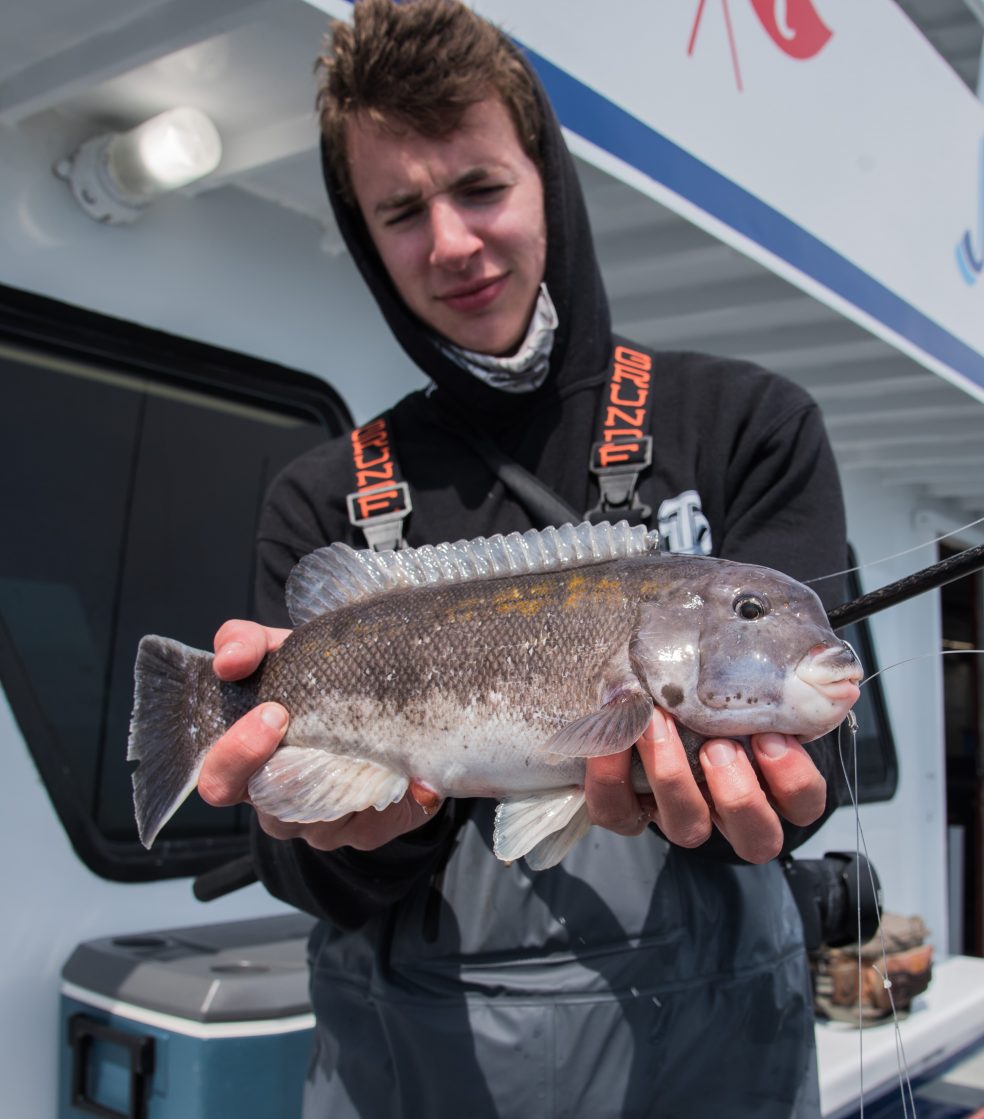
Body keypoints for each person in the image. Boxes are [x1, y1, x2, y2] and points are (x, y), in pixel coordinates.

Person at [192, 2, 851, 1115]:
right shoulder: (320, 494)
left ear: (547, 178)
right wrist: (352, 830)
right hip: (424, 1074)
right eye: (401, 210)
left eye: (481, 188)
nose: (451, 242)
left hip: (708, 1070)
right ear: (362, 232)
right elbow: (304, 872)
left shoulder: (751, 424)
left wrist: (796, 796)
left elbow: (813, 745)